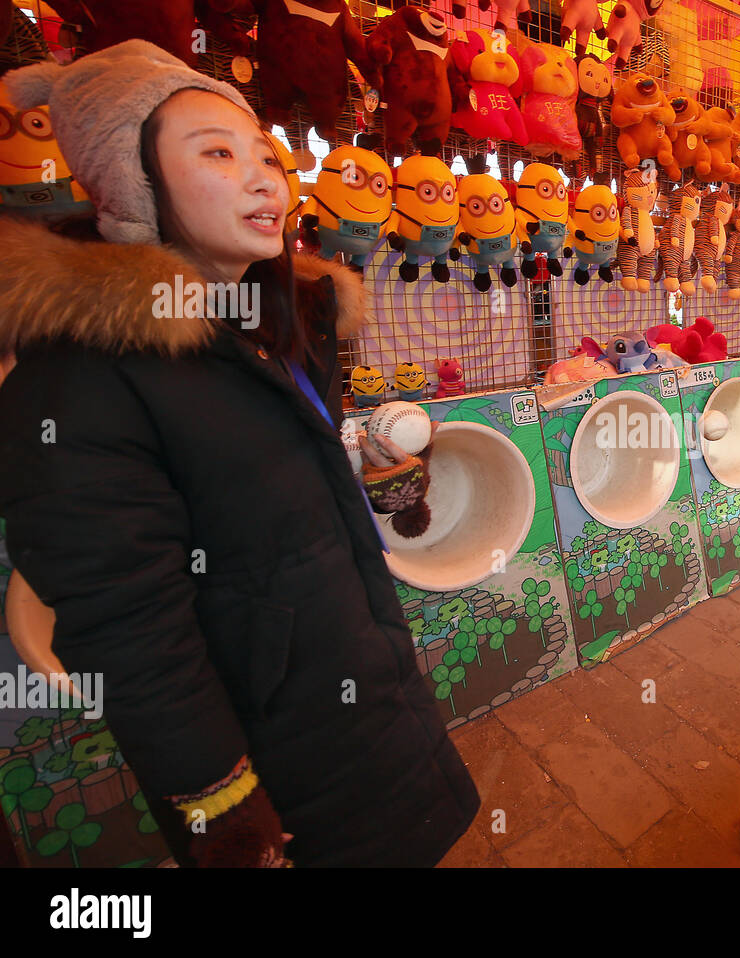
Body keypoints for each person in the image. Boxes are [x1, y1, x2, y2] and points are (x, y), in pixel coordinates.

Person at [0, 42, 479, 866]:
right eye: (217, 153)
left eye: (264, 152)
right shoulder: (76, 379)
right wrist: (219, 805)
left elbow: (289, 506)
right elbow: (127, 630)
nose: (267, 178)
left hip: (365, 688)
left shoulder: (278, 323)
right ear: (129, 184)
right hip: (265, 756)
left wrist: (382, 479)